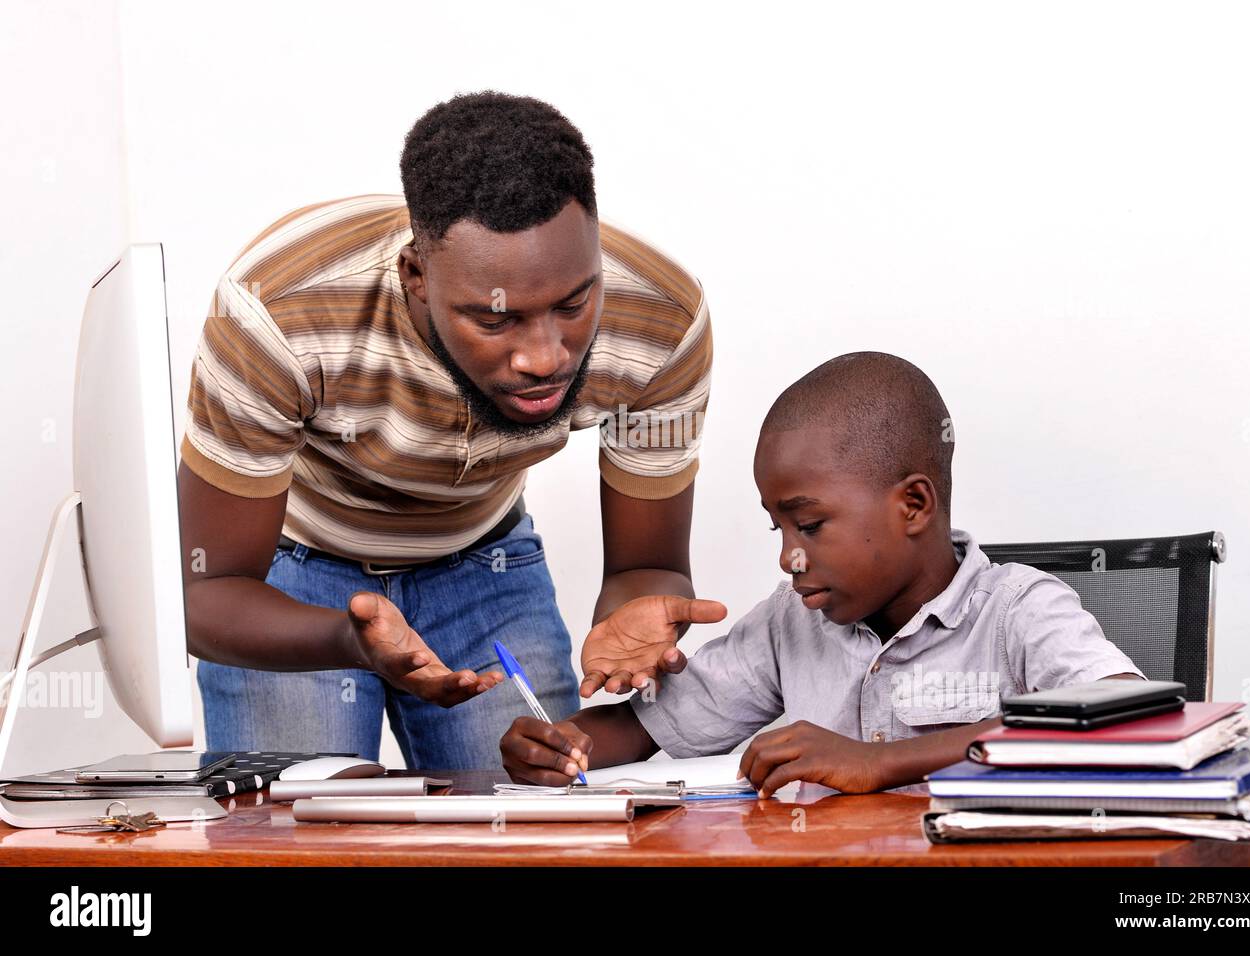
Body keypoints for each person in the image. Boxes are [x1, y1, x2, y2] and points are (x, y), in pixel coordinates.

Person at [180, 91, 722, 770]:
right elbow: (208, 590)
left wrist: (631, 630)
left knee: (534, 823)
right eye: (495, 320)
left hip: (484, 562)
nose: (544, 358)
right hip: (288, 572)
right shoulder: (274, 312)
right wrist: (351, 641)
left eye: (574, 302)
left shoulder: (660, 323)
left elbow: (647, 567)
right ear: (415, 276)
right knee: (292, 835)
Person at [500, 352, 1145, 795]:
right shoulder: (792, 623)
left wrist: (881, 762)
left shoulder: (1018, 610)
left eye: (808, 526)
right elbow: (642, 731)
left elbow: (1121, 720)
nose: (789, 556)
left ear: (913, 505)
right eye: (778, 528)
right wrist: (560, 744)